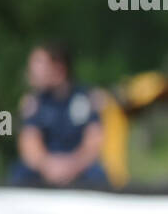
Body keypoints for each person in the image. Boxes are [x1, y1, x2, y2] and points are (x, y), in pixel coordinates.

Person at [9, 43, 109, 188]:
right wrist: (47, 165)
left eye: (40, 63)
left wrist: (72, 166)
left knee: (99, 176)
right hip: (44, 167)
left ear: (59, 68)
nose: (33, 71)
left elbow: (93, 142)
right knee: (19, 174)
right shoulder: (34, 103)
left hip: (79, 167)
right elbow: (29, 143)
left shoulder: (87, 98)